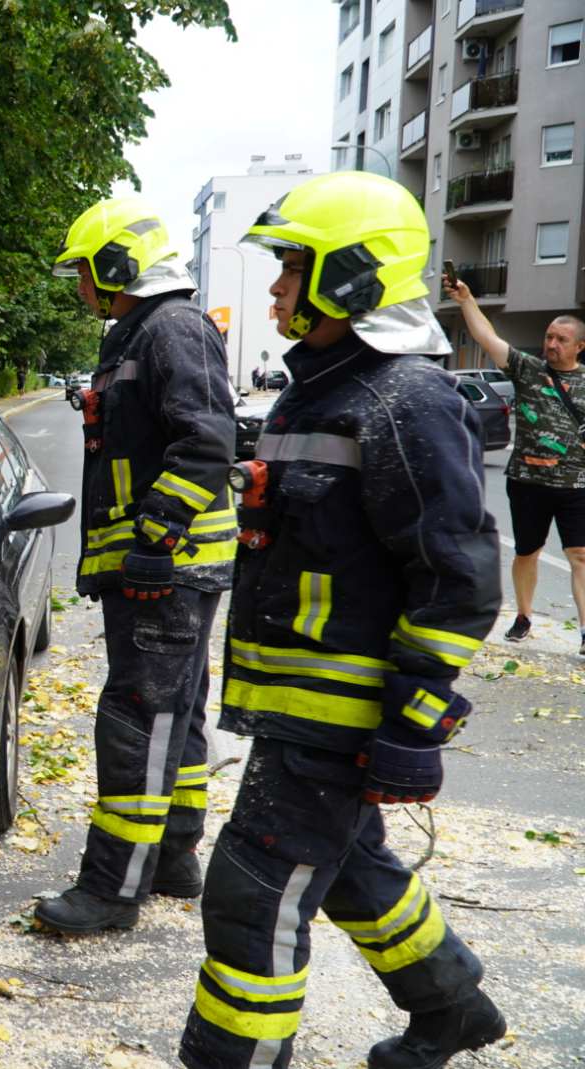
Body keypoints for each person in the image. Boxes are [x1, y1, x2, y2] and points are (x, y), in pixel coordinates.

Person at [178, 172, 505, 1069]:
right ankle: (453, 1007)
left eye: (293, 268)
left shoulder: (403, 398)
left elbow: (459, 575)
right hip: (301, 707)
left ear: (352, 277)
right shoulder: (318, 390)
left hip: (339, 715)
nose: (278, 287)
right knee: (355, 867)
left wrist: (412, 717)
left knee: (251, 895)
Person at [32, 196, 238, 935]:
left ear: (118, 266)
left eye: (85, 272)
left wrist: (155, 536)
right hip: (168, 565)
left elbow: (207, 440)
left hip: (167, 565)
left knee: (136, 720)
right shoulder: (142, 334)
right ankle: (177, 856)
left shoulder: (171, 329)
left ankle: (111, 888)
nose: (80, 286)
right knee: (174, 715)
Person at [444, 280, 585, 650]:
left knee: (580, 556)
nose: (552, 344)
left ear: (579, 347)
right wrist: (467, 301)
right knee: (527, 552)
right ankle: (524, 616)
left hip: (576, 485)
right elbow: (487, 337)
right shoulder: (528, 370)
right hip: (527, 481)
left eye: (561, 340)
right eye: (549, 336)